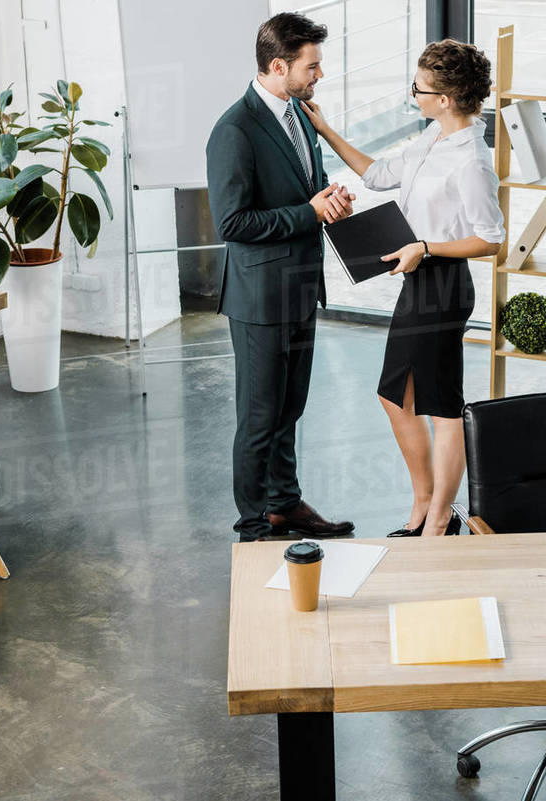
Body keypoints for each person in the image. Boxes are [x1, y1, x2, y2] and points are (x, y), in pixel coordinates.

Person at [302, 39, 504, 537]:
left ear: (446, 99)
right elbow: (376, 174)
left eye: (419, 88)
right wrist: (325, 129)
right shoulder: (431, 137)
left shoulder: (472, 161)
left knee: (442, 406)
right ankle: (425, 501)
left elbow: (491, 240)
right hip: (419, 284)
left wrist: (427, 248)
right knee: (397, 397)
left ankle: (436, 519)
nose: (413, 94)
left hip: (444, 286)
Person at [206, 12, 357, 543]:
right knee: (258, 420)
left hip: (299, 288)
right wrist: (308, 213)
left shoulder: (297, 113)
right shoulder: (234, 130)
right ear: (278, 65)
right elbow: (232, 223)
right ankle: (252, 530)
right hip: (260, 299)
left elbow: (302, 188)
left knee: (290, 409)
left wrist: (327, 196)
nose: (319, 75)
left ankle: (284, 506)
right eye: (311, 66)